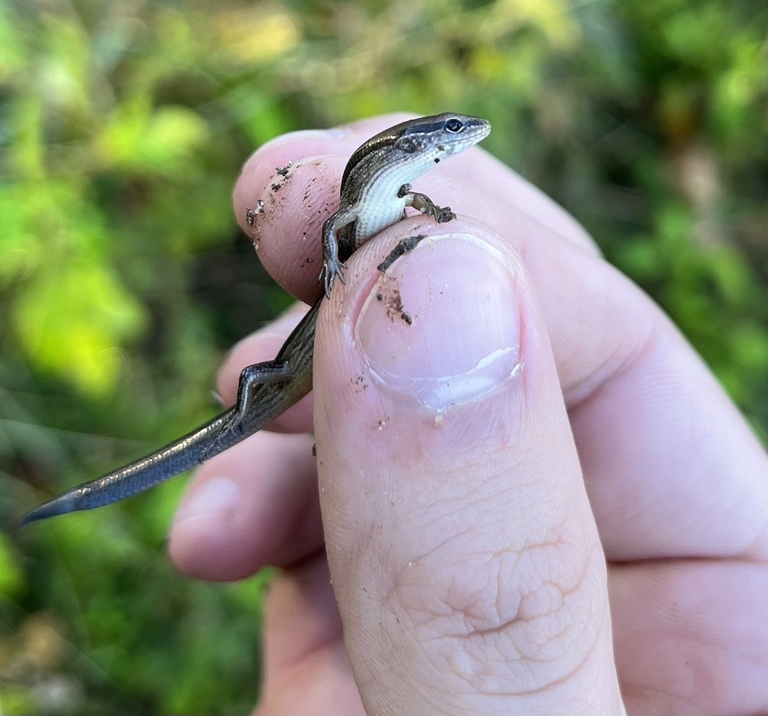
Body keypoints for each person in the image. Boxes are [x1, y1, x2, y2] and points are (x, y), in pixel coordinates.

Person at [167, 115, 768, 716]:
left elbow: (400, 202)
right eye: (452, 129)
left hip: (332, 349)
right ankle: (242, 420)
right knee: (255, 379)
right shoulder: (360, 203)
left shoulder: (403, 185)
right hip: (291, 367)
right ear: (413, 145)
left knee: (335, 382)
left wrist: (430, 212)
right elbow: (336, 229)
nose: (468, 132)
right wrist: (333, 268)